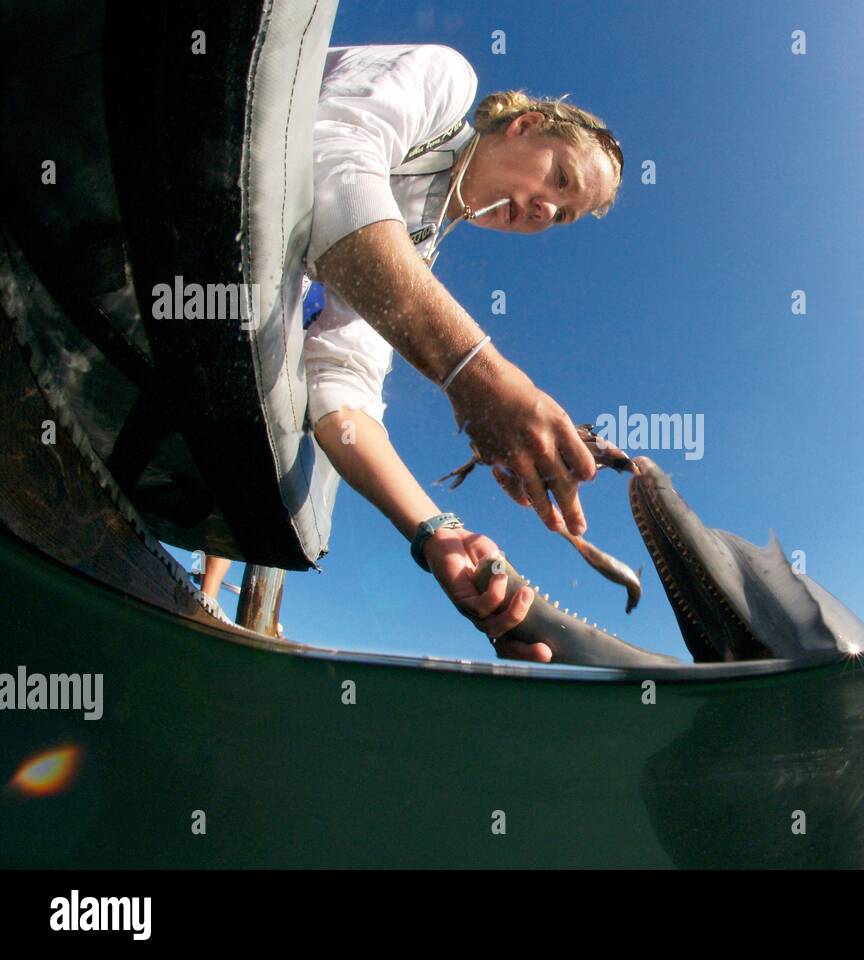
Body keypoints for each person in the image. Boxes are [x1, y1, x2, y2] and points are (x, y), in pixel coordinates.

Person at [201, 44, 623, 662]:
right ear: (525, 125)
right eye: (560, 179)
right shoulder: (444, 83)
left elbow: (340, 385)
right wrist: (476, 371)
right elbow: (323, 158)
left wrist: (435, 534)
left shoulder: (416, 251)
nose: (548, 210)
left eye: (562, 217)